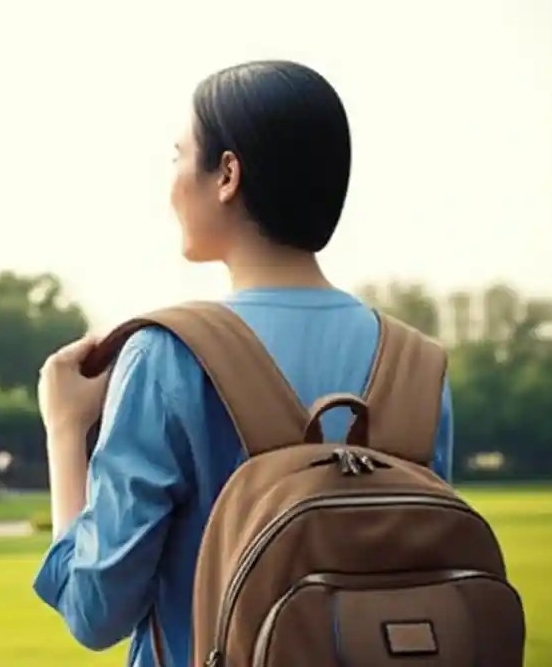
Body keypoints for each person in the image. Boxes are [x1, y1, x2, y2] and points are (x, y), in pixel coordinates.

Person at [31, 60, 454, 666]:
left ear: (227, 173)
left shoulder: (168, 356)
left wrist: (65, 429)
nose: (171, 182)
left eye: (179, 155)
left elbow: (96, 611)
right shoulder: (416, 366)